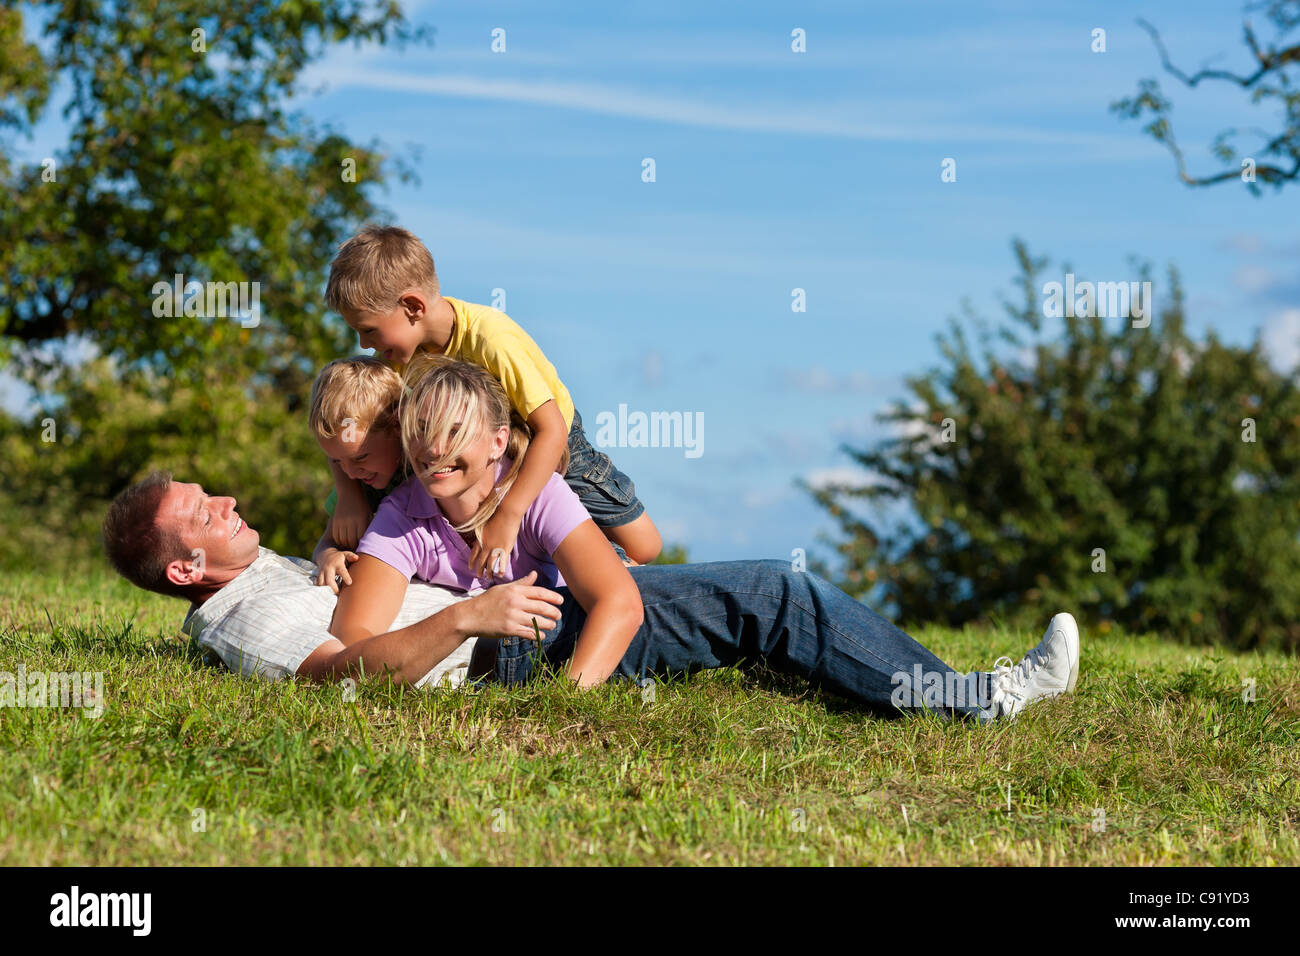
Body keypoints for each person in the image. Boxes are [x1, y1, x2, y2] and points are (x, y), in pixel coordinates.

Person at [98, 467, 1079, 723]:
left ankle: (865, 681)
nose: (224, 499)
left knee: (727, 611)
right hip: (504, 646)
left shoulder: (238, 586)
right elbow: (328, 680)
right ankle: (975, 702)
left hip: (502, 625)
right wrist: (467, 617)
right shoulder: (246, 615)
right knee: (770, 592)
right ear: (185, 568)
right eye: (203, 508)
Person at [320, 223, 663, 571]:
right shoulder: (397, 361)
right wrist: (348, 496)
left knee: (645, 546)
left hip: (550, 445)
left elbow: (552, 431)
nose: (364, 344)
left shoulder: (491, 339)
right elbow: (349, 430)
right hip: (484, 462)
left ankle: (607, 558)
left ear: (412, 306)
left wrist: (509, 515)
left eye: (368, 330)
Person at [306, 356, 409, 593]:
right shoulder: (359, 484)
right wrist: (329, 556)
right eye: (336, 460)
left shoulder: (433, 459)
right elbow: (325, 543)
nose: (349, 473)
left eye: (360, 458)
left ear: (398, 424)